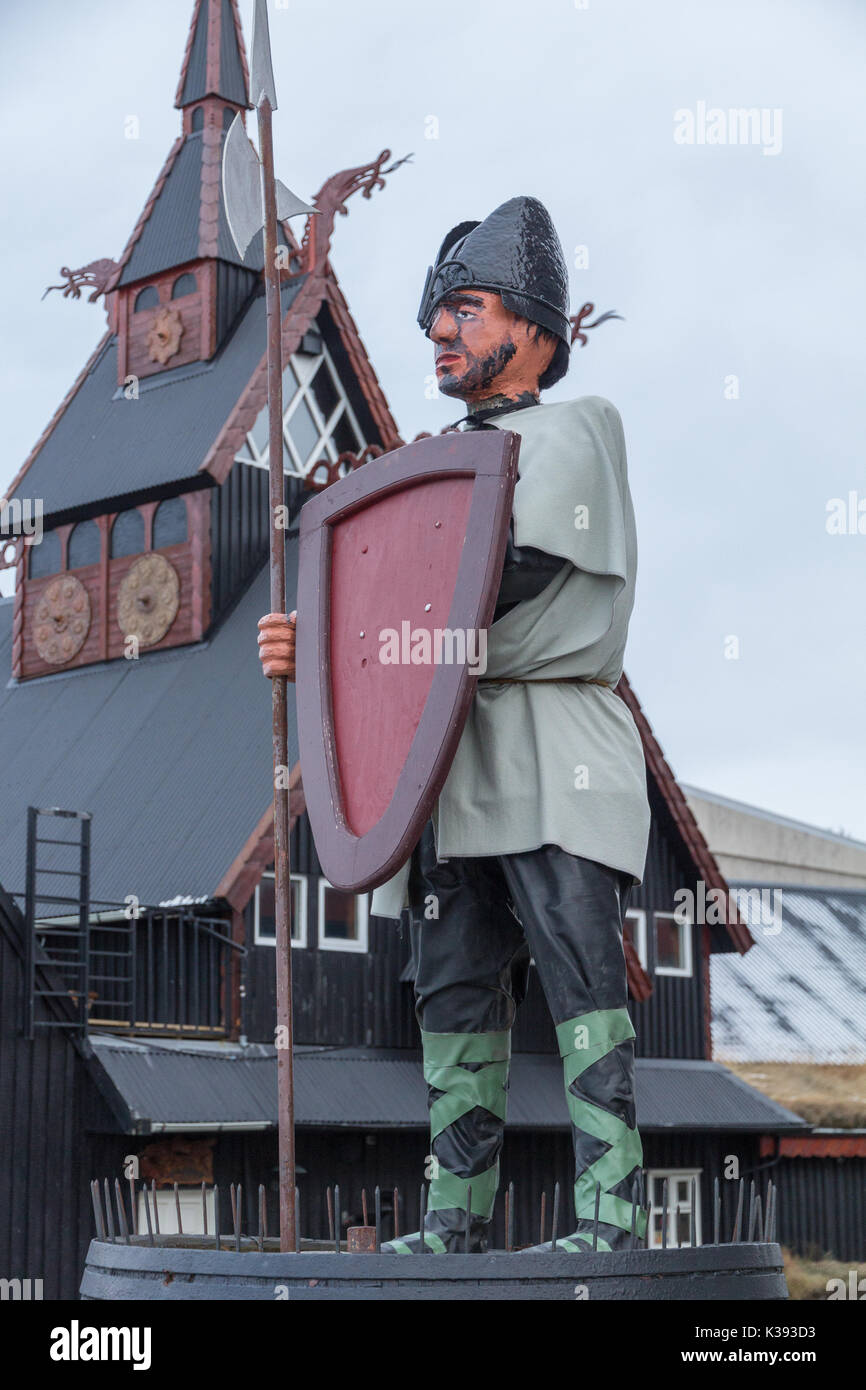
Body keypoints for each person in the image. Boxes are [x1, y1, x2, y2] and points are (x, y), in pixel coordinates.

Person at [258, 196, 651, 1253]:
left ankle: (610, 1218)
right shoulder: (428, 470)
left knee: (578, 968)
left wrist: (366, 633)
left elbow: (504, 578)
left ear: (534, 330)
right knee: (451, 993)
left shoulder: (576, 429)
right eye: (438, 316)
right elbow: (407, 613)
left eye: (467, 311)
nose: (441, 332)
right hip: (443, 762)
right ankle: (452, 1220)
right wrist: (313, 652)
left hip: (548, 744)